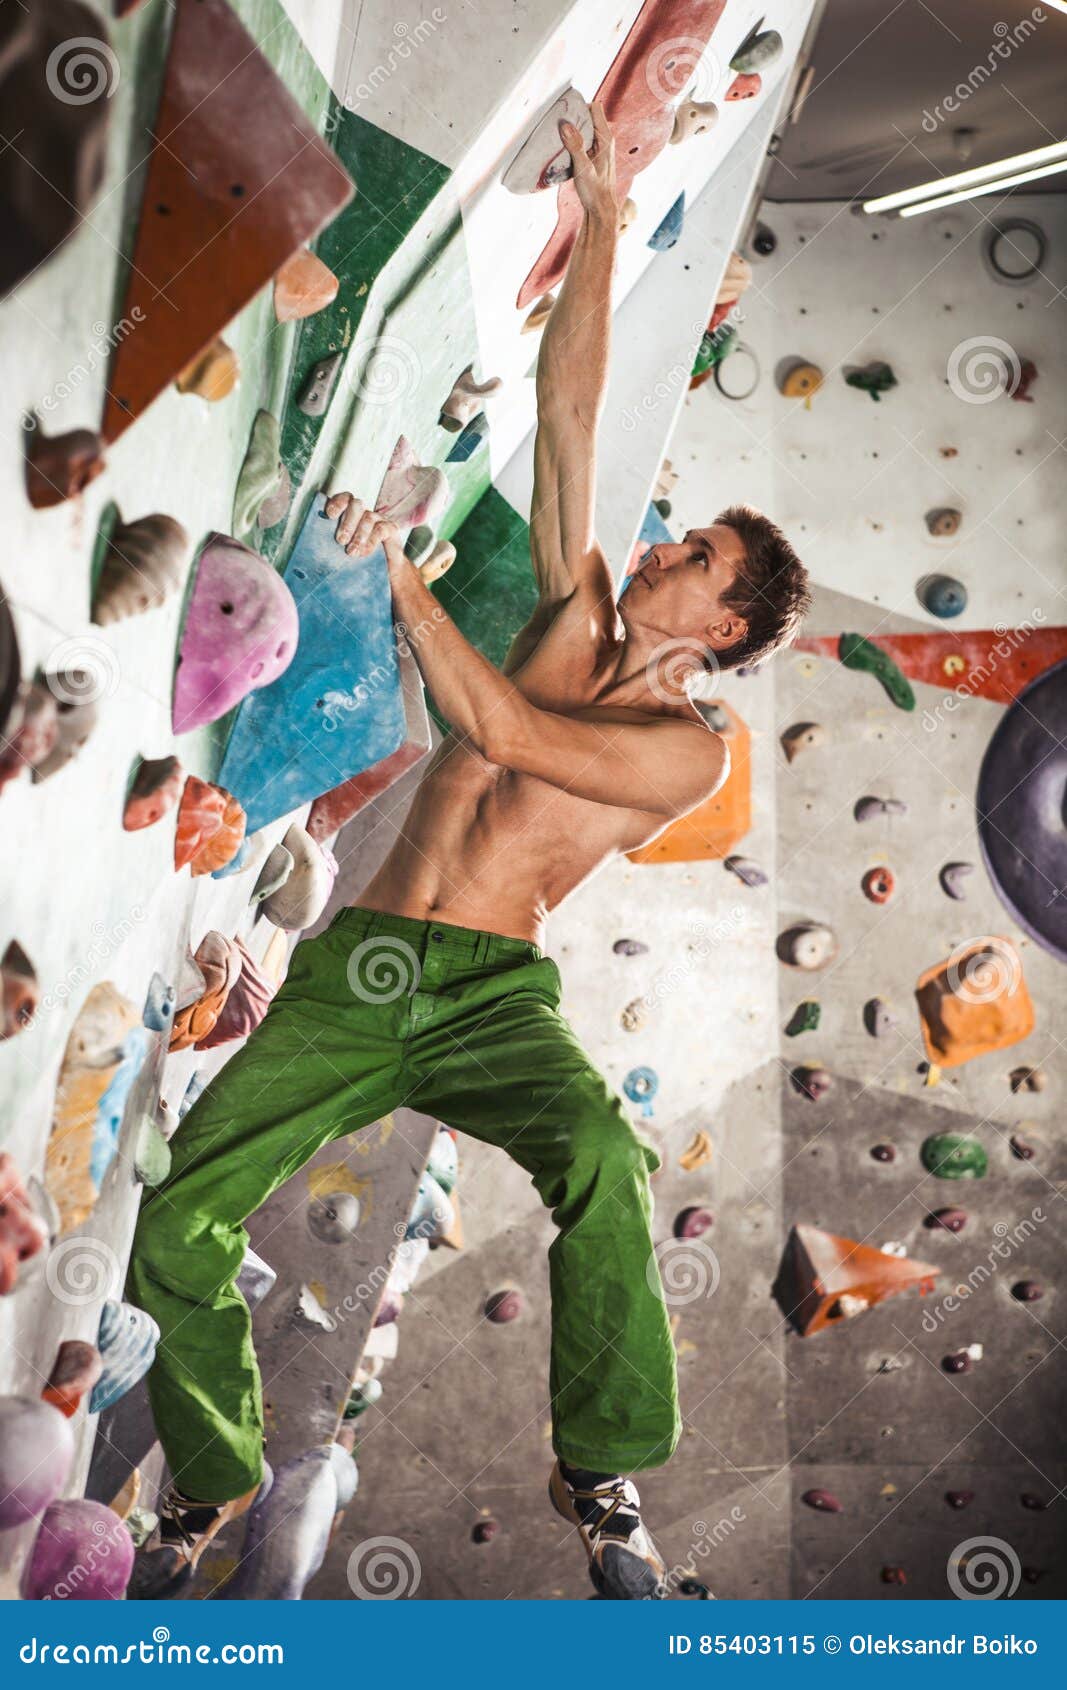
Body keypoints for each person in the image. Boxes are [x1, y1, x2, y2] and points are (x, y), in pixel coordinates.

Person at [129, 104, 810, 1600]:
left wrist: (403, 579)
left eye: (693, 562)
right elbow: (571, 411)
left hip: (496, 992)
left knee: (604, 1168)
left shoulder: (687, 750)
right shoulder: (581, 603)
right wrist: (609, 217)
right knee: (180, 1204)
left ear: (727, 631)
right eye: (677, 537)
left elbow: (499, 728)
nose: (660, 551)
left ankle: (603, 1464)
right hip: (368, 956)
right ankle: (216, 1472)